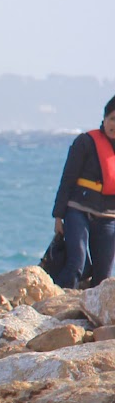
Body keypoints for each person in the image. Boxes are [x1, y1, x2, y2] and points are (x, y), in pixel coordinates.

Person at [50, 95, 115, 289]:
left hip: (109, 217)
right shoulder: (85, 142)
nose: (114, 124)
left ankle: (92, 314)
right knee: (76, 264)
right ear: (104, 119)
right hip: (78, 210)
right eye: (112, 119)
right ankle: (57, 304)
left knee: (103, 276)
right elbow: (67, 180)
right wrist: (58, 217)